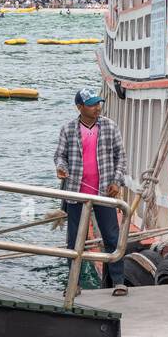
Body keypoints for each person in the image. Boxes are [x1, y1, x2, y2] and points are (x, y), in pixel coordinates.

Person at [54, 89, 128, 295]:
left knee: (112, 237)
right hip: (76, 194)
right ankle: (73, 284)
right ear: (80, 107)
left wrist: (116, 182)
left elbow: (120, 158)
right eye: (92, 104)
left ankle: (119, 282)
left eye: (98, 103)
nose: (98, 107)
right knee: (74, 240)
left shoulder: (110, 126)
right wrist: (61, 168)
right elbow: (59, 156)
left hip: (104, 192)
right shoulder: (68, 129)